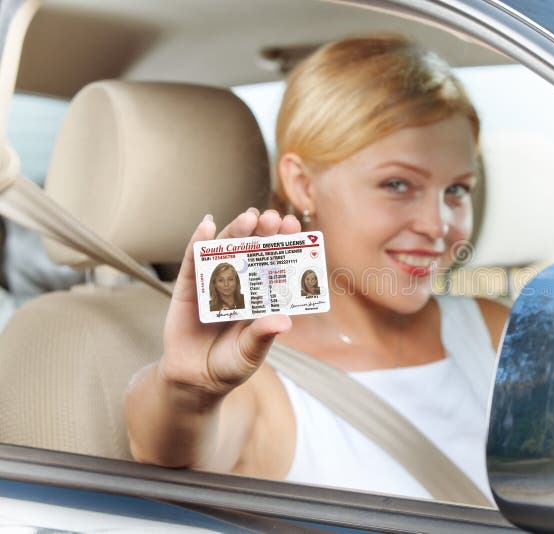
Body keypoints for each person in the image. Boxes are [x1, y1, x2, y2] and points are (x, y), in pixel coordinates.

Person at [124, 34, 509, 503]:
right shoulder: (256, 376)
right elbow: (167, 449)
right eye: (397, 184)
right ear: (303, 184)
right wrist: (188, 391)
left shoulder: (496, 331)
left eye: (457, 190)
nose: (438, 225)